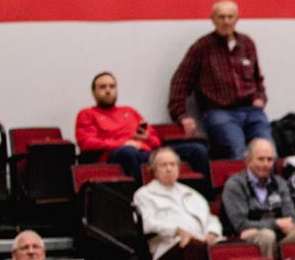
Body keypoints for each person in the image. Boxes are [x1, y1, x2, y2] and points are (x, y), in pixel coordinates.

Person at [169, 0, 271, 159]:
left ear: (237, 19)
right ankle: (239, 184)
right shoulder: (201, 47)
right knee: (237, 153)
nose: (226, 21)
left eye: (230, 17)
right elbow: (179, 83)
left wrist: (260, 98)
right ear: (213, 19)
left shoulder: (247, 44)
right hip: (219, 112)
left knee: (268, 152)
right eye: (221, 17)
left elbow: (258, 78)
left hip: (251, 110)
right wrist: (182, 116)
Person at [132, 147, 221, 260]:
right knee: (193, 246)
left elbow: (211, 218)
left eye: (173, 164)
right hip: (167, 249)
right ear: (154, 170)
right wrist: (176, 230)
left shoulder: (191, 194)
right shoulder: (144, 195)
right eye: (164, 165)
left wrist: (212, 232)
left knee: (218, 249)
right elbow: (146, 223)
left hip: (200, 244)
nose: (169, 168)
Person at [77, 71, 209, 180]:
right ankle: (137, 200)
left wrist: (145, 138)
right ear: (93, 92)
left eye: (112, 86)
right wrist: (124, 143)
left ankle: (205, 198)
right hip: (117, 155)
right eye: (102, 87)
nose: (108, 90)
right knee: (128, 152)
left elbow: (156, 142)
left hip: (146, 153)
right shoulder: (87, 114)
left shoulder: (129, 111)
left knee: (197, 149)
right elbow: (86, 143)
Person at [223, 137, 295, 259]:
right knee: (267, 236)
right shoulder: (235, 184)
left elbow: (291, 219)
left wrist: (283, 225)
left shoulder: (279, 182)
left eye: (269, 160)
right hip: (243, 237)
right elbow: (241, 225)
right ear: (248, 160)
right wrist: (276, 223)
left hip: (278, 235)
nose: (266, 164)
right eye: (261, 159)